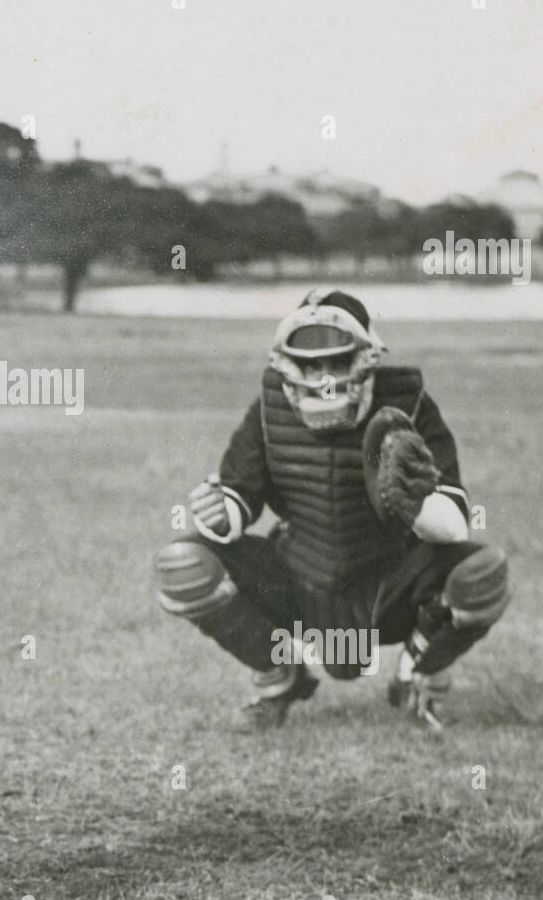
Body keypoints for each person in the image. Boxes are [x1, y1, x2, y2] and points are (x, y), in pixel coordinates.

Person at [154, 288, 510, 732]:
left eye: (337, 360)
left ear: (365, 356)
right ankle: (279, 675)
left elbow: (455, 524)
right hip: (299, 579)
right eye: (311, 363)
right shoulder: (269, 410)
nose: (323, 377)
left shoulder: (409, 405)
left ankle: (418, 673)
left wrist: (416, 503)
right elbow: (240, 495)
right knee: (184, 566)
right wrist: (219, 512)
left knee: (482, 572)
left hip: (389, 582)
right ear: (288, 364)